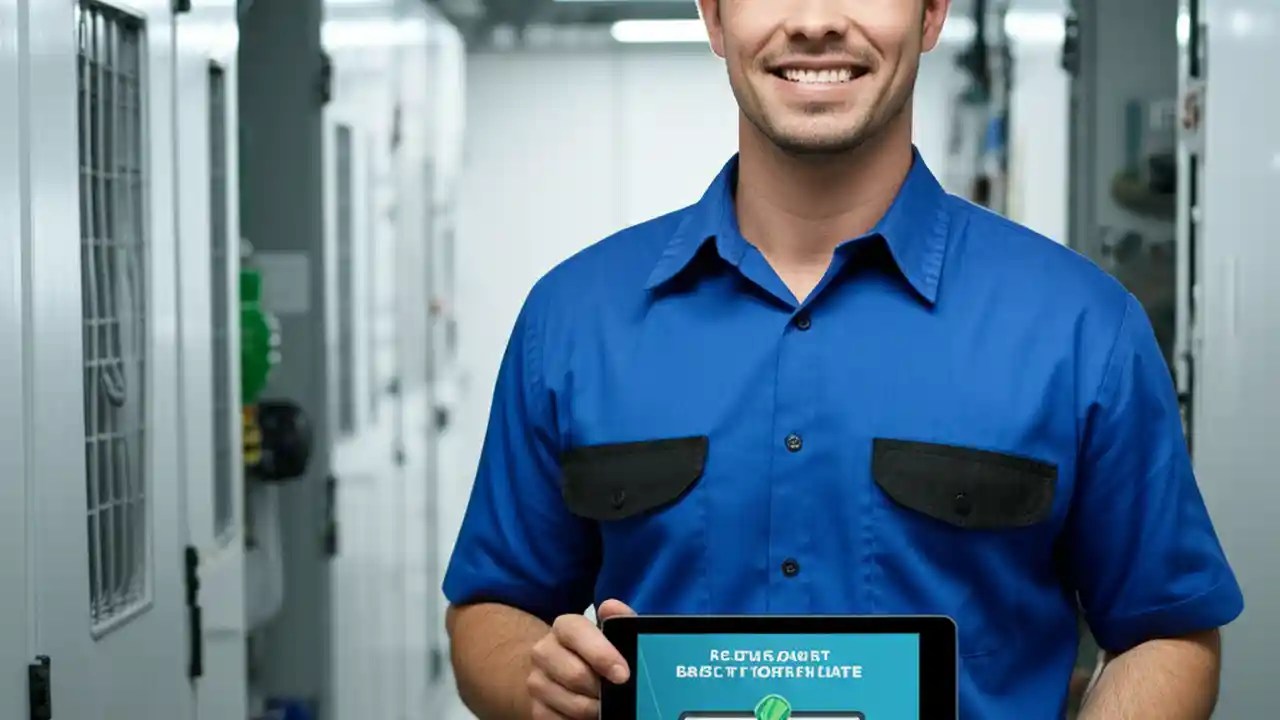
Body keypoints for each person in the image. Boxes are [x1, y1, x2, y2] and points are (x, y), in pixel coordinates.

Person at [441, 0, 1244, 717]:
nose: (816, 19)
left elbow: (1167, 632)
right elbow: (491, 610)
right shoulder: (575, 320)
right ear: (714, 16)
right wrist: (533, 680)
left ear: (931, 15)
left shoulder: (1079, 327)